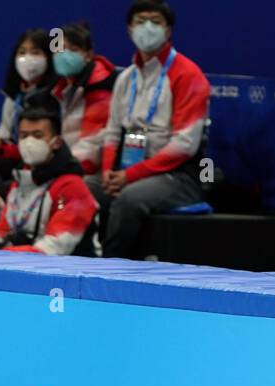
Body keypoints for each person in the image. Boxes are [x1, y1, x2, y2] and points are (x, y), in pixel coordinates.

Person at [100, 0, 210, 259]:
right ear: (129, 29)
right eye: (140, 21)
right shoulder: (126, 78)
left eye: (156, 22)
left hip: (180, 177)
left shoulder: (188, 75)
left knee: (128, 199)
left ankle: (109, 271)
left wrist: (129, 176)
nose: (147, 28)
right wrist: (107, 171)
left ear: (168, 30)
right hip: (128, 170)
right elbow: (113, 131)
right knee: (85, 188)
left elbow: (184, 145)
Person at [0, 106, 100, 256]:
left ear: (56, 142)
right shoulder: (19, 181)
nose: (29, 142)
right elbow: (0, 235)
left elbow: (53, 250)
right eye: (24, 136)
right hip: (20, 262)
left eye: (37, 135)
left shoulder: (72, 188)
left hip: (69, 272)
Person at [46, 21, 120, 207]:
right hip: (67, 167)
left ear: (88, 54)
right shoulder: (58, 88)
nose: (64, 54)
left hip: (94, 173)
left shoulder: (101, 86)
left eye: (73, 49)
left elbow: (92, 149)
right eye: (60, 49)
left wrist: (55, 169)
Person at [0, 28, 58, 182]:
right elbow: (4, 135)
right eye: (22, 52)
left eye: (35, 52)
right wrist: (0, 148)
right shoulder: (13, 96)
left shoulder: (56, 95)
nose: (27, 58)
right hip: (15, 161)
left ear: (49, 57)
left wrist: (12, 151)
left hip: (46, 162)